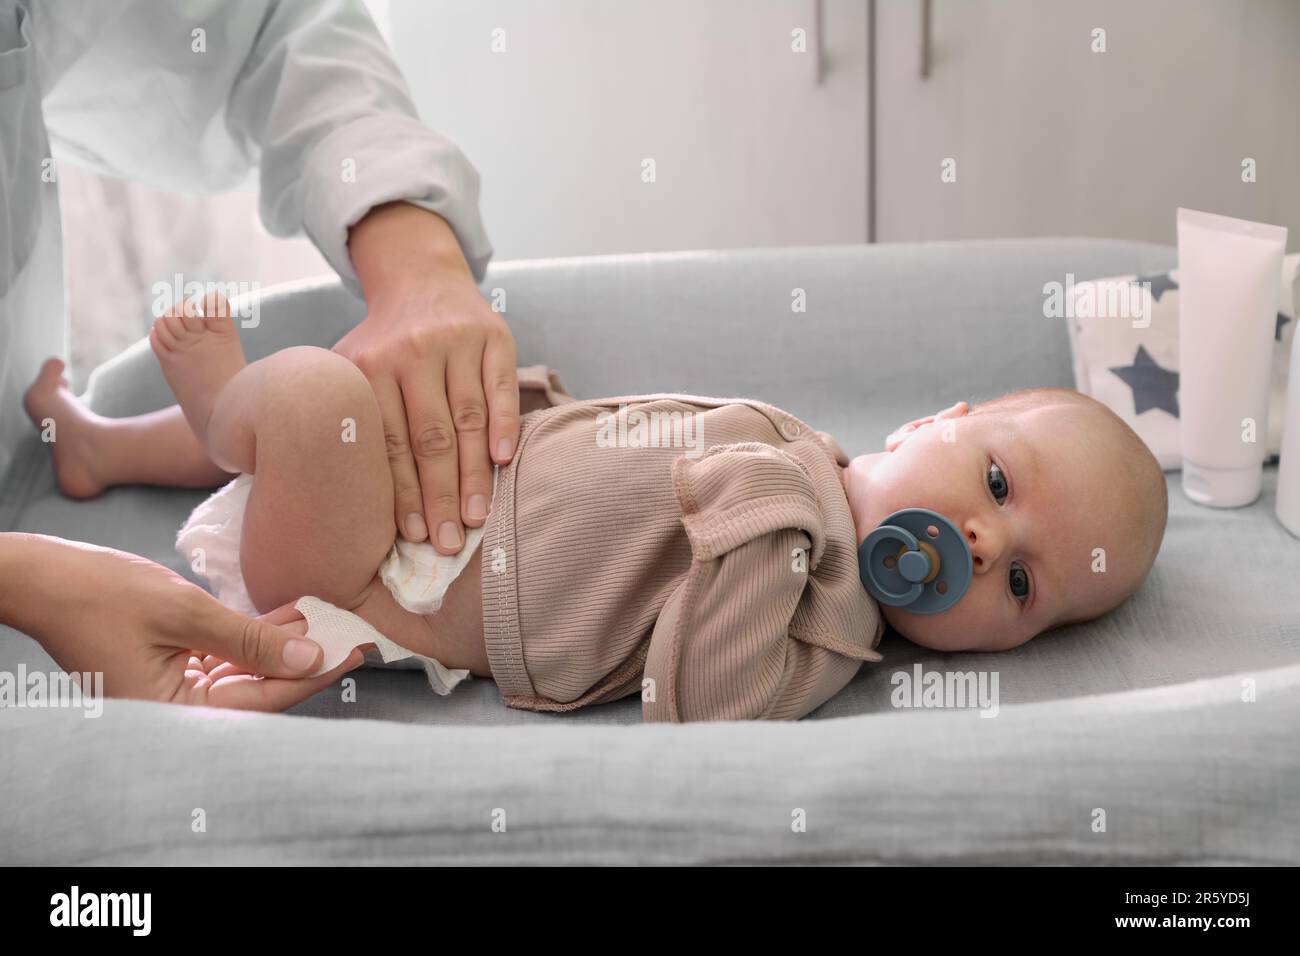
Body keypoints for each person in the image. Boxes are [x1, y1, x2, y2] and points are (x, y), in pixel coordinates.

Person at [25, 294, 1168, 720]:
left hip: (382, 576)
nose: (978, 541)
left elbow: (704, 700)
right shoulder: (806, 446)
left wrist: (768, 505)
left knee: (316, 402)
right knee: (365, 406)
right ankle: (102, 446)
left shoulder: (830, 625)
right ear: (935, 422)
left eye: (1021, 584)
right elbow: (643, 455)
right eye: (1000, 484)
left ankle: (228, 402)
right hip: (449, 493)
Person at [0, 0, 518, 707]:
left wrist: (416, 263)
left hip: (394, 543)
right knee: (322, 403)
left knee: (326, 411)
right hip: (439, 499)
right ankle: (136, 437)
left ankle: (123, 439)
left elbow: (266, 27)